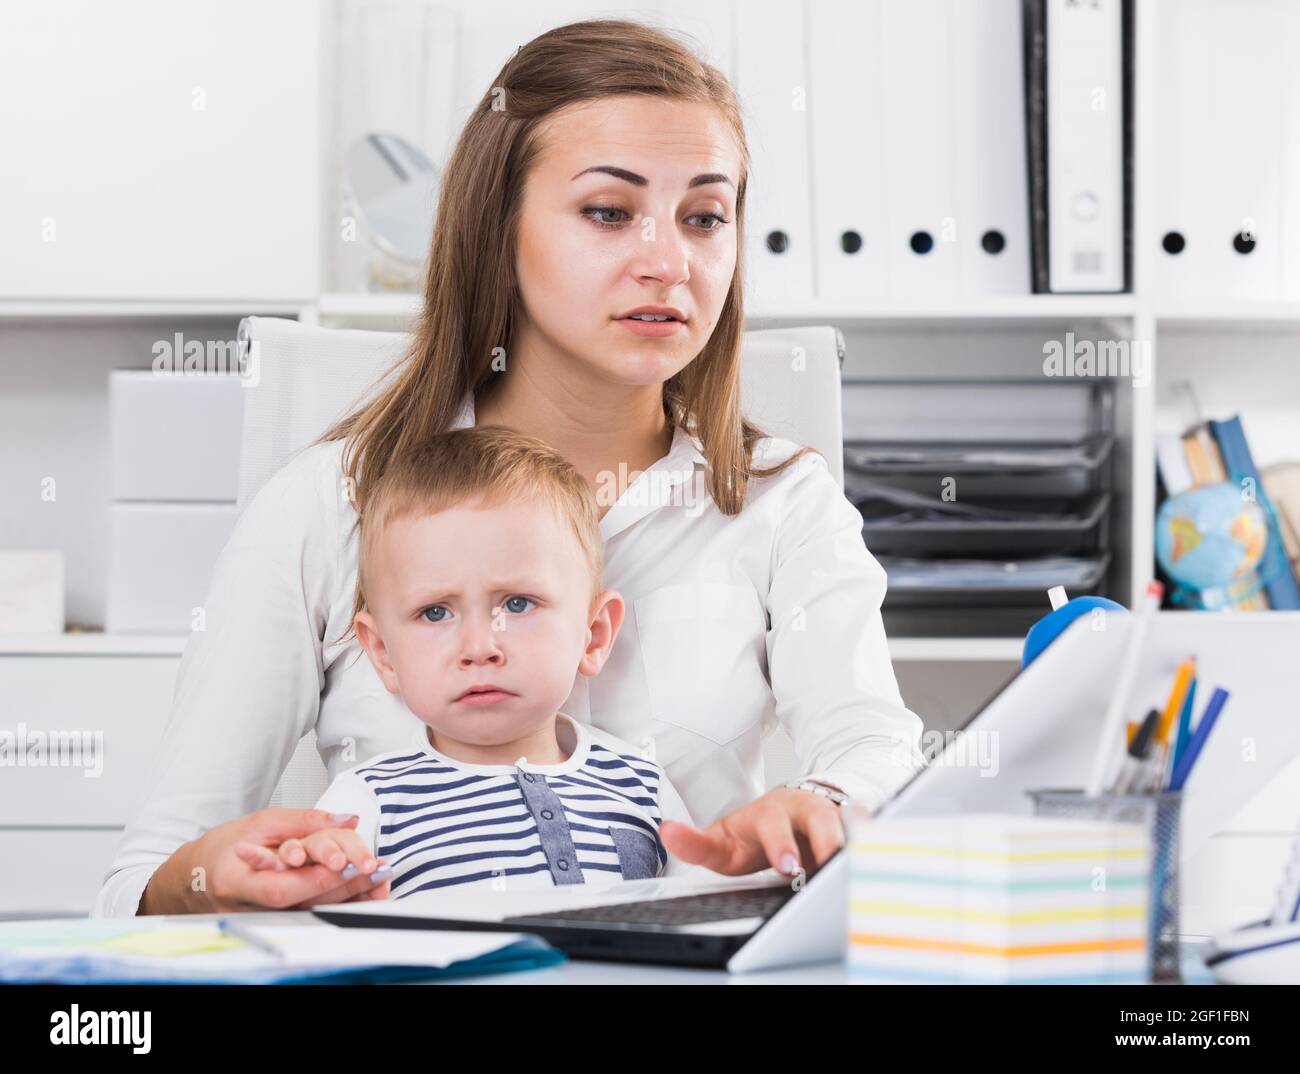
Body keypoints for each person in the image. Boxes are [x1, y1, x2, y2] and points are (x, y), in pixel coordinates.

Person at [93, 17, 924, 917]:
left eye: (705, 217)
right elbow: (142, 882)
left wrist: (827, 810)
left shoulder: (782, 503)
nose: (668, 262)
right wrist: (206, 879)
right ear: (499, 231)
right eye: (609, 212)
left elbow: (874, 750)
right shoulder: (328, 503)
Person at [277, 425, 701, 897]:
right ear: (383, 653)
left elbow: (707, 921)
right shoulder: (367, 802)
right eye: (435, 612)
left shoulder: (641, 783)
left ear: (594, 633)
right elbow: (318, 927)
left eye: (517, 604)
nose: (479, 647)